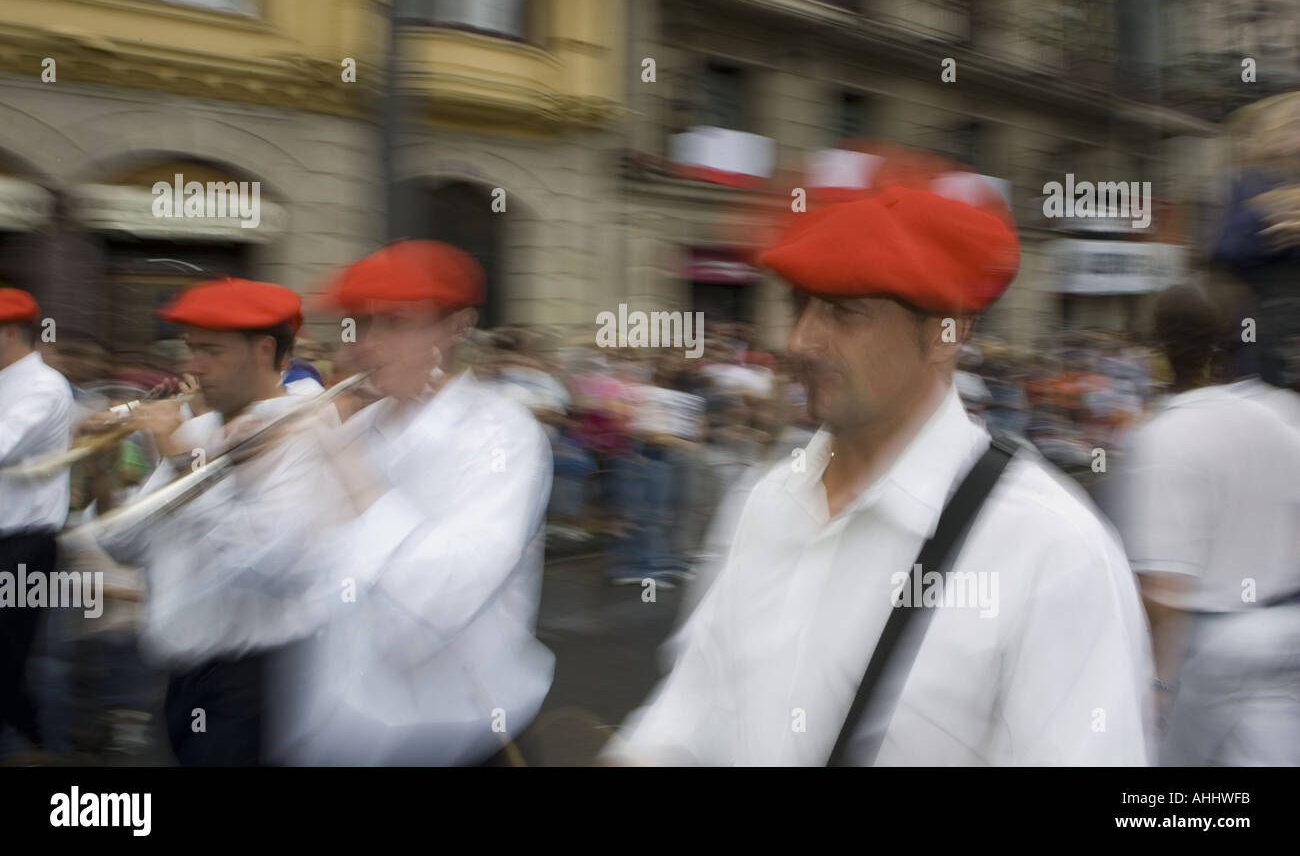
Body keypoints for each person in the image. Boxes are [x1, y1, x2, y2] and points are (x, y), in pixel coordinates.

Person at [603, 152, 1152, 766]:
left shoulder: (1053, 549)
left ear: (946, 334)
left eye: (844, 311)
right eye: (800, 304)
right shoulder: (766, 500)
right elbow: (694, 702)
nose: (800, 341)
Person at [277, 240, 555, 766]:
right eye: (356, 323)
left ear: (457, 328)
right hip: (345, 735)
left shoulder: (501, 434)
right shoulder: (357, 427)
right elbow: (291, 573)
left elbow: (439, 599)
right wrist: (260, 466)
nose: (364, 345)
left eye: (395, 323)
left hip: (465, 739)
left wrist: (345, 462)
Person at [93, 277, 343, 766]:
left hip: (254, 683)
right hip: (185, 678)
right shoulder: (199, 430)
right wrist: (103, 458)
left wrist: (183, 462)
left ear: (262, 350)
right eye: (190, 350)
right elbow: (122, 543)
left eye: (211, 351)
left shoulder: (304, 431)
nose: (192, 367)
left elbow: (267, 562)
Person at [1121, 281, 1300, 765]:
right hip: (1287, 636)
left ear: (1161, 353)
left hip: (1211, 649)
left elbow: (1165, 588)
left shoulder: (1166, 436)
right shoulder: (1284, 414)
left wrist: (1159, 685)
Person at [0, 288, 73, 754]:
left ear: (7, 333)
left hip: (22, 545)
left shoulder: (43, 386)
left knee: (6, 658)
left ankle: (39, 742)